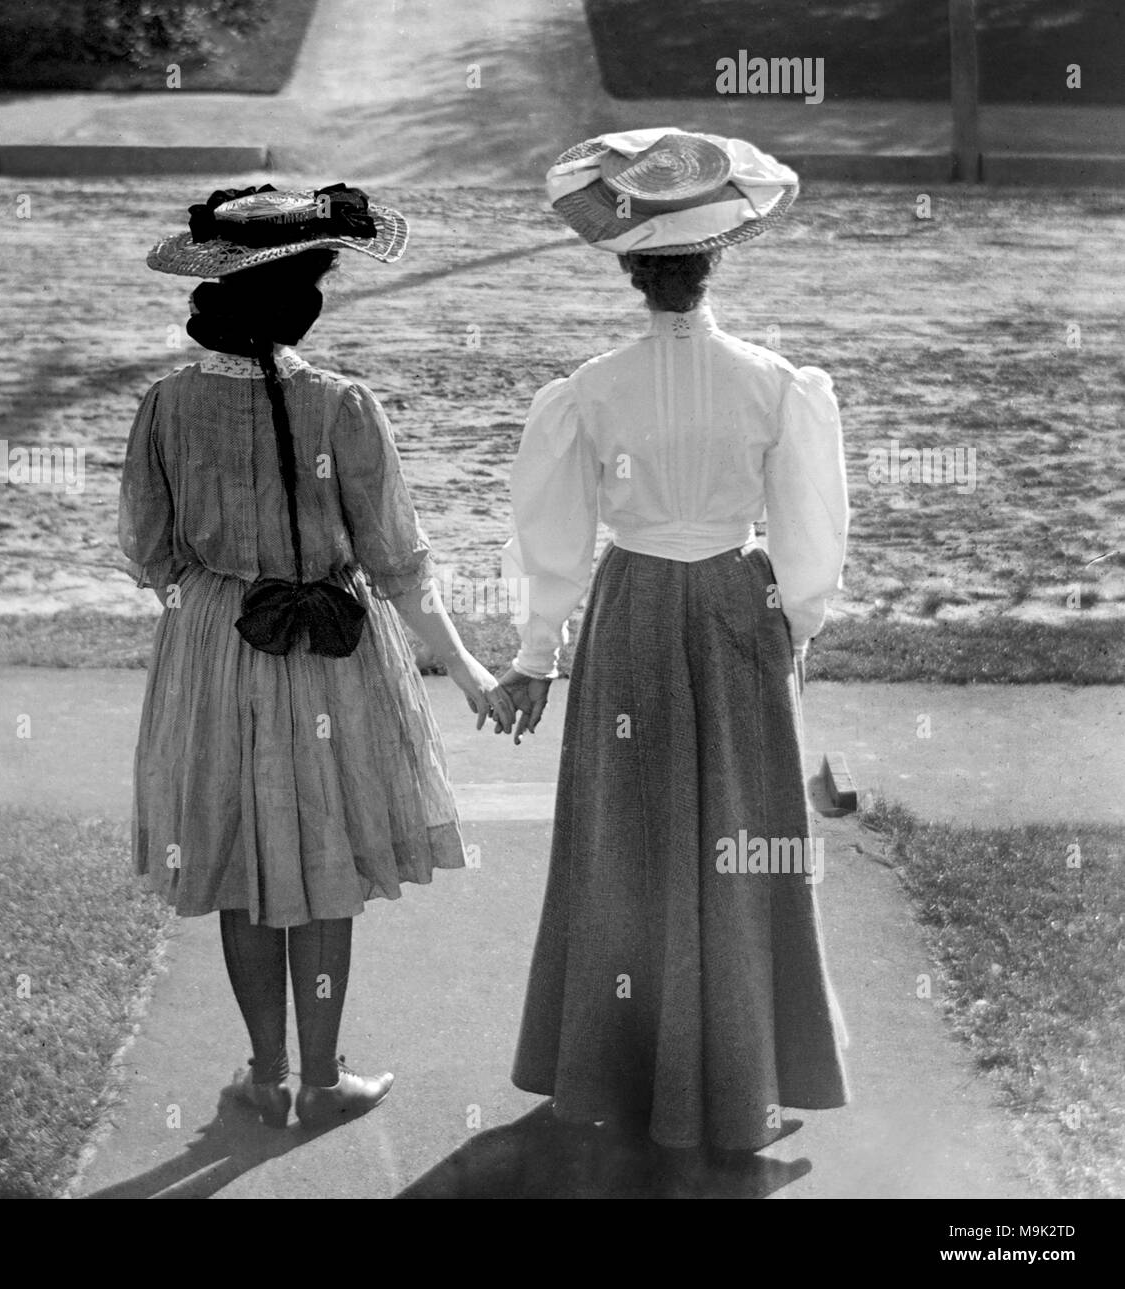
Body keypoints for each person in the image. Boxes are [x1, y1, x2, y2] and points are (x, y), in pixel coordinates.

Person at [496, 131, 851, 1189]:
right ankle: (735, 1084)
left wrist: (532, 652)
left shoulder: (590, 388)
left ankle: (609, 1079)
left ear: (628, 263)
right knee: (743, 840)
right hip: (736, 608)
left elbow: (549, 537)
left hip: (635, 609)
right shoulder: (777, 383)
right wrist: (796, 626)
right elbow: (810, 539)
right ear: (717, 258)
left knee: (625, 838)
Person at [120, 184, 514, 1131]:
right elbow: (398, 566)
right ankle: (326, 1077)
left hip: (217, 646)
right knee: (324, 857)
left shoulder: (167, 404)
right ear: (307, 298)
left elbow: (152, 552)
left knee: (240, 859)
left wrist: (217, 602)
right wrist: (468, 672)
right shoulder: (342, 405)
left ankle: (266, 1072)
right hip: (332, 653)